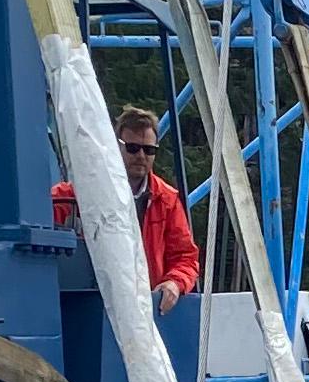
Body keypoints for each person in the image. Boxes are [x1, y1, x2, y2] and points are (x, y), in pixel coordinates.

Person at [53, 103, 202, 312]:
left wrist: (174, 284)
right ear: (116, 147)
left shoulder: (167, 200)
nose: (141, 155)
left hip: (145, 312)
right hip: (88, 308)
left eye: (149, 150)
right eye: (133, 148)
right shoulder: (75, 194)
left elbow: (186, 257)